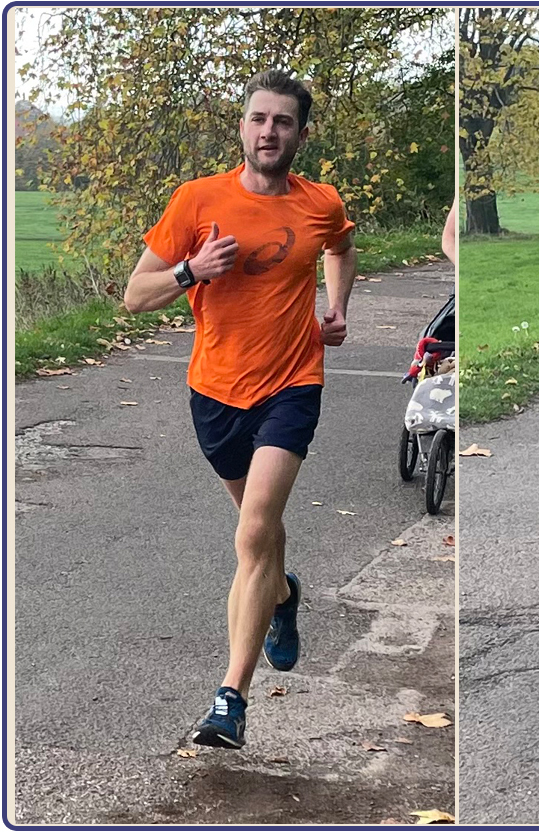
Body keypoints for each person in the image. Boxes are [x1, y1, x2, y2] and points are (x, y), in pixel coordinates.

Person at [122, 70, 356, 749]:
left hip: (292, 386)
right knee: (260, 535)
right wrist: (191, 271)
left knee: (254, 530)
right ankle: (282, 596)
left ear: (301, 135)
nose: (268, 131)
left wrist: (337, 307)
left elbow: (341, 246)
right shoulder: (197, 201)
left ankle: (231, 698)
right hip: (215, 393)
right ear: (243, 126)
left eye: (283, 122)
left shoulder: (320, 203)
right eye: (259, 118)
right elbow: (135, 296)